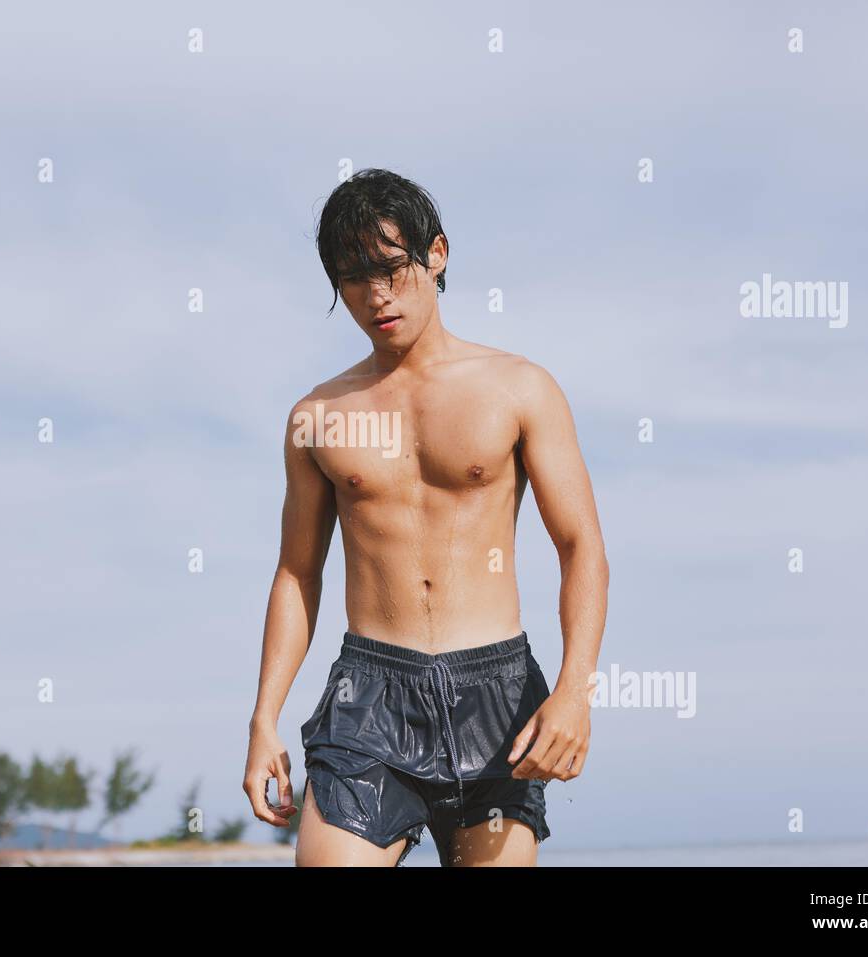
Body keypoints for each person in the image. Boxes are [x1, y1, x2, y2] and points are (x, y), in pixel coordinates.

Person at [243, 169, 609, 866]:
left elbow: (581, 545)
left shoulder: (520, 388)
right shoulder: (317, 417)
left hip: (497, 694)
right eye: (353, 277)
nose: (375, 295)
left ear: (436, 254)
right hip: (369, 698)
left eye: (390, 269)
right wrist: (264, 718)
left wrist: (575, 690)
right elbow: (297, 572)